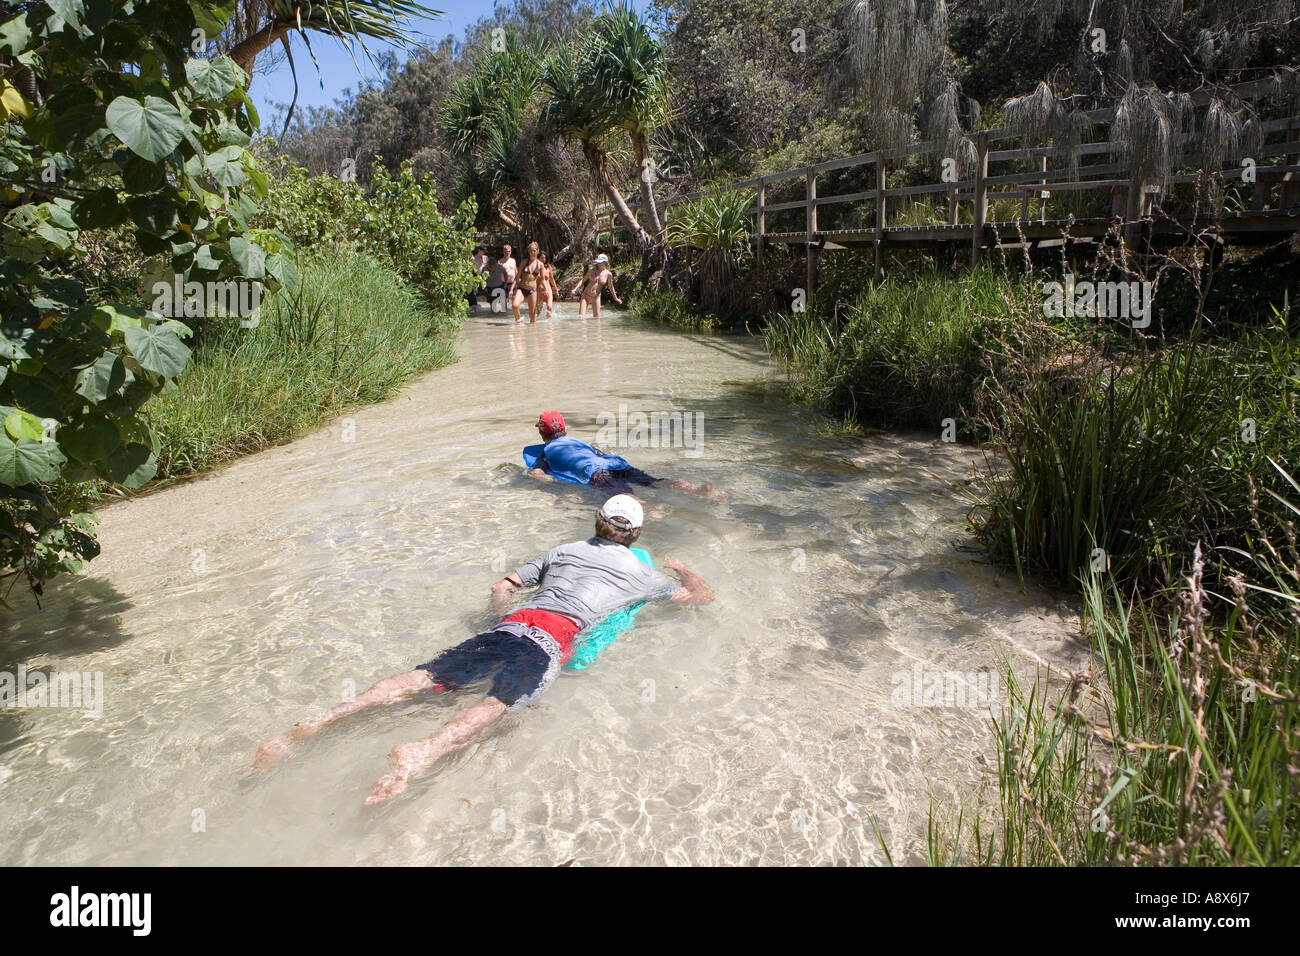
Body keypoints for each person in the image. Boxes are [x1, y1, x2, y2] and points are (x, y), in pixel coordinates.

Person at [253, 496, 714, 804]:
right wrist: (684, 570)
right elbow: (700, 599)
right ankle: (422, 751)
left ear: (596, 520)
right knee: (501, 705)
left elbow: (504, 585)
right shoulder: (643, 575)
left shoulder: (564, 549)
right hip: (552, 638)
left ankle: (321, 721)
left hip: (513, 624)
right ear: (635, 535)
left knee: (427, 677)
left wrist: (496, 618)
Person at [524, 410, 724, 499]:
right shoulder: (580, 443)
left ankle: (651, 510)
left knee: (624, 496)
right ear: (565, 429)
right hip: (615, 463)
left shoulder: (547, 452)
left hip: (596, 471)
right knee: (655, 482)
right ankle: (696, 488)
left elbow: (539, 475)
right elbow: (601, 455)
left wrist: (555, 483)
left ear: (542, 433)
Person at [573, 254, 622, 318]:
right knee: (581, 317)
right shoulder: (591, 270)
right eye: (598, 263)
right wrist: (575, 289)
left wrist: (616, 298)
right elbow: (583, 280)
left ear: (605, 263)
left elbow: (611, 287)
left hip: (596, 297)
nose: (599, 264)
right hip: (586, 296)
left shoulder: (608, 274)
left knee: (597, 319)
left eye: (601, 263)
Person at [517, 241, 544, 324]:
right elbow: (517, 276)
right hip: (522, 288)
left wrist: (541, 290)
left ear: (538, 251)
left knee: (532, 314)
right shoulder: (524, 262)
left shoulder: (540, 265)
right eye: (531, 251)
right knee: (515, 305)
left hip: (532, 290)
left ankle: (533, 333)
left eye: (534, 251)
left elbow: (542, 279)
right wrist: (512, 288)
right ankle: (518, 321)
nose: (533, 253)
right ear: (528, 252)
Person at [486, 244, 517, 314]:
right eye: (506, 251)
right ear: (503, 252)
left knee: (514, 299)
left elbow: (516, 271)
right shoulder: (500, 261)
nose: (508, 253)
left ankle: (513, 313)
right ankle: (504, 314)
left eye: (509, 251)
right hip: (503, 283)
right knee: (504, 300)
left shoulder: (513, 261)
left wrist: (518, 280)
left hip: (512, 282)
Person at [467, 246, 490, 312]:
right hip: (475, 277)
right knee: (473, 293)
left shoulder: (486, 258)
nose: (484, 253)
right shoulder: (474, 258)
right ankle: (474, 306)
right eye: (483, 251)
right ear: (479, 250)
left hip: (484, 278)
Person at [539, 251, 561, 320]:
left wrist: (556, 289)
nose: (544, 259)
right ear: (538, 258)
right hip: (539, 291)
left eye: (545, 258)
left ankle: (549, 323)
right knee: (538, 310)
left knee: (549, 307)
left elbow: (552, 279)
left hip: (548, 290)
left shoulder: (548, 267)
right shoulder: (536, 267)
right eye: (542, 258)